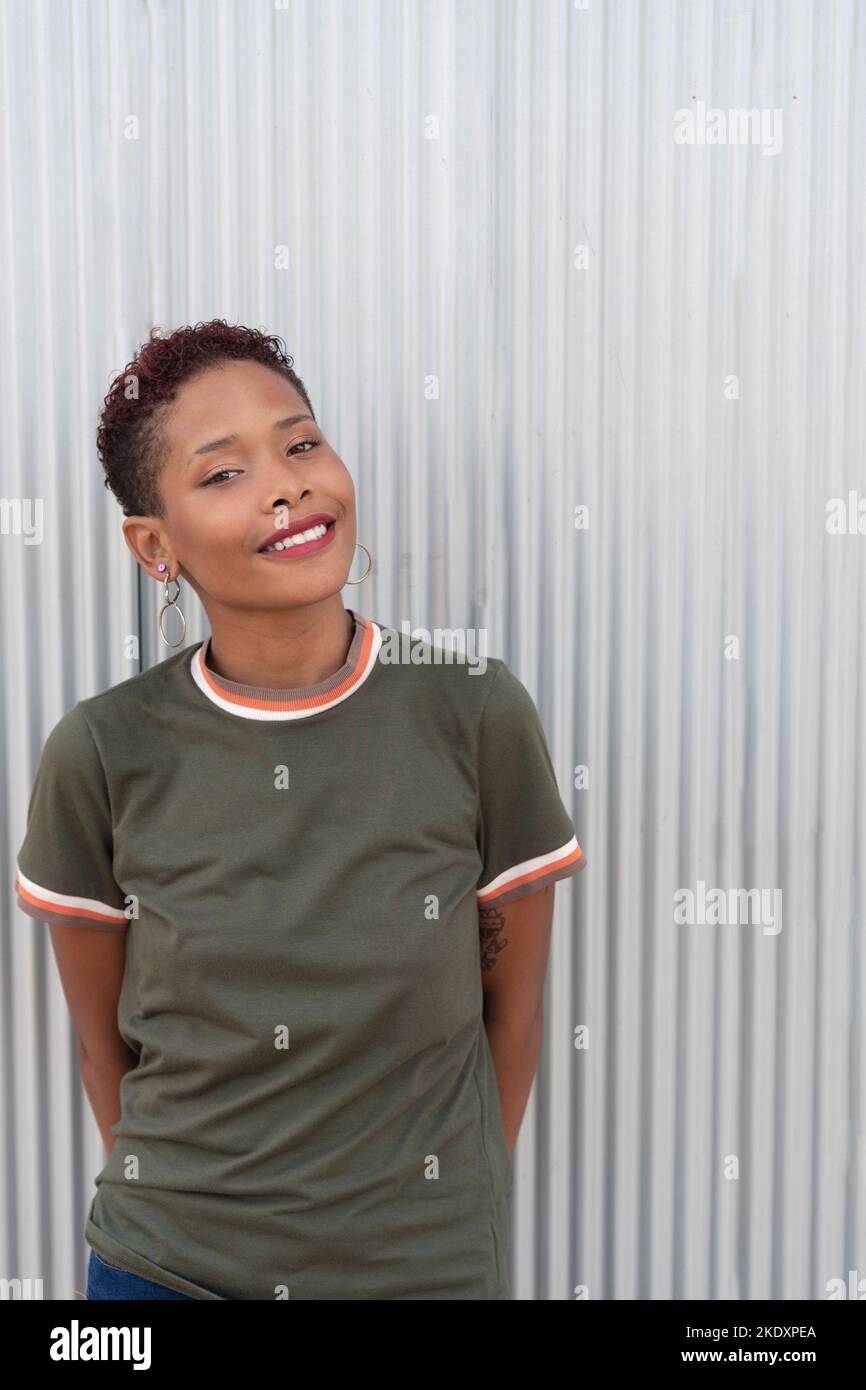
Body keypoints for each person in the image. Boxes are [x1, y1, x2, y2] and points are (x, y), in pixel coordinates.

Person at [15, 319, 587, 1300]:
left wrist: (450, 1212)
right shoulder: (104, 751)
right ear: (155, 545)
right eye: (222, 473)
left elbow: (514, 1011)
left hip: (423, 1275)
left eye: (300, 442)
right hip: (165, 1274)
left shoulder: (472, 711)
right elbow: (103, 1038)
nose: (286, 484)